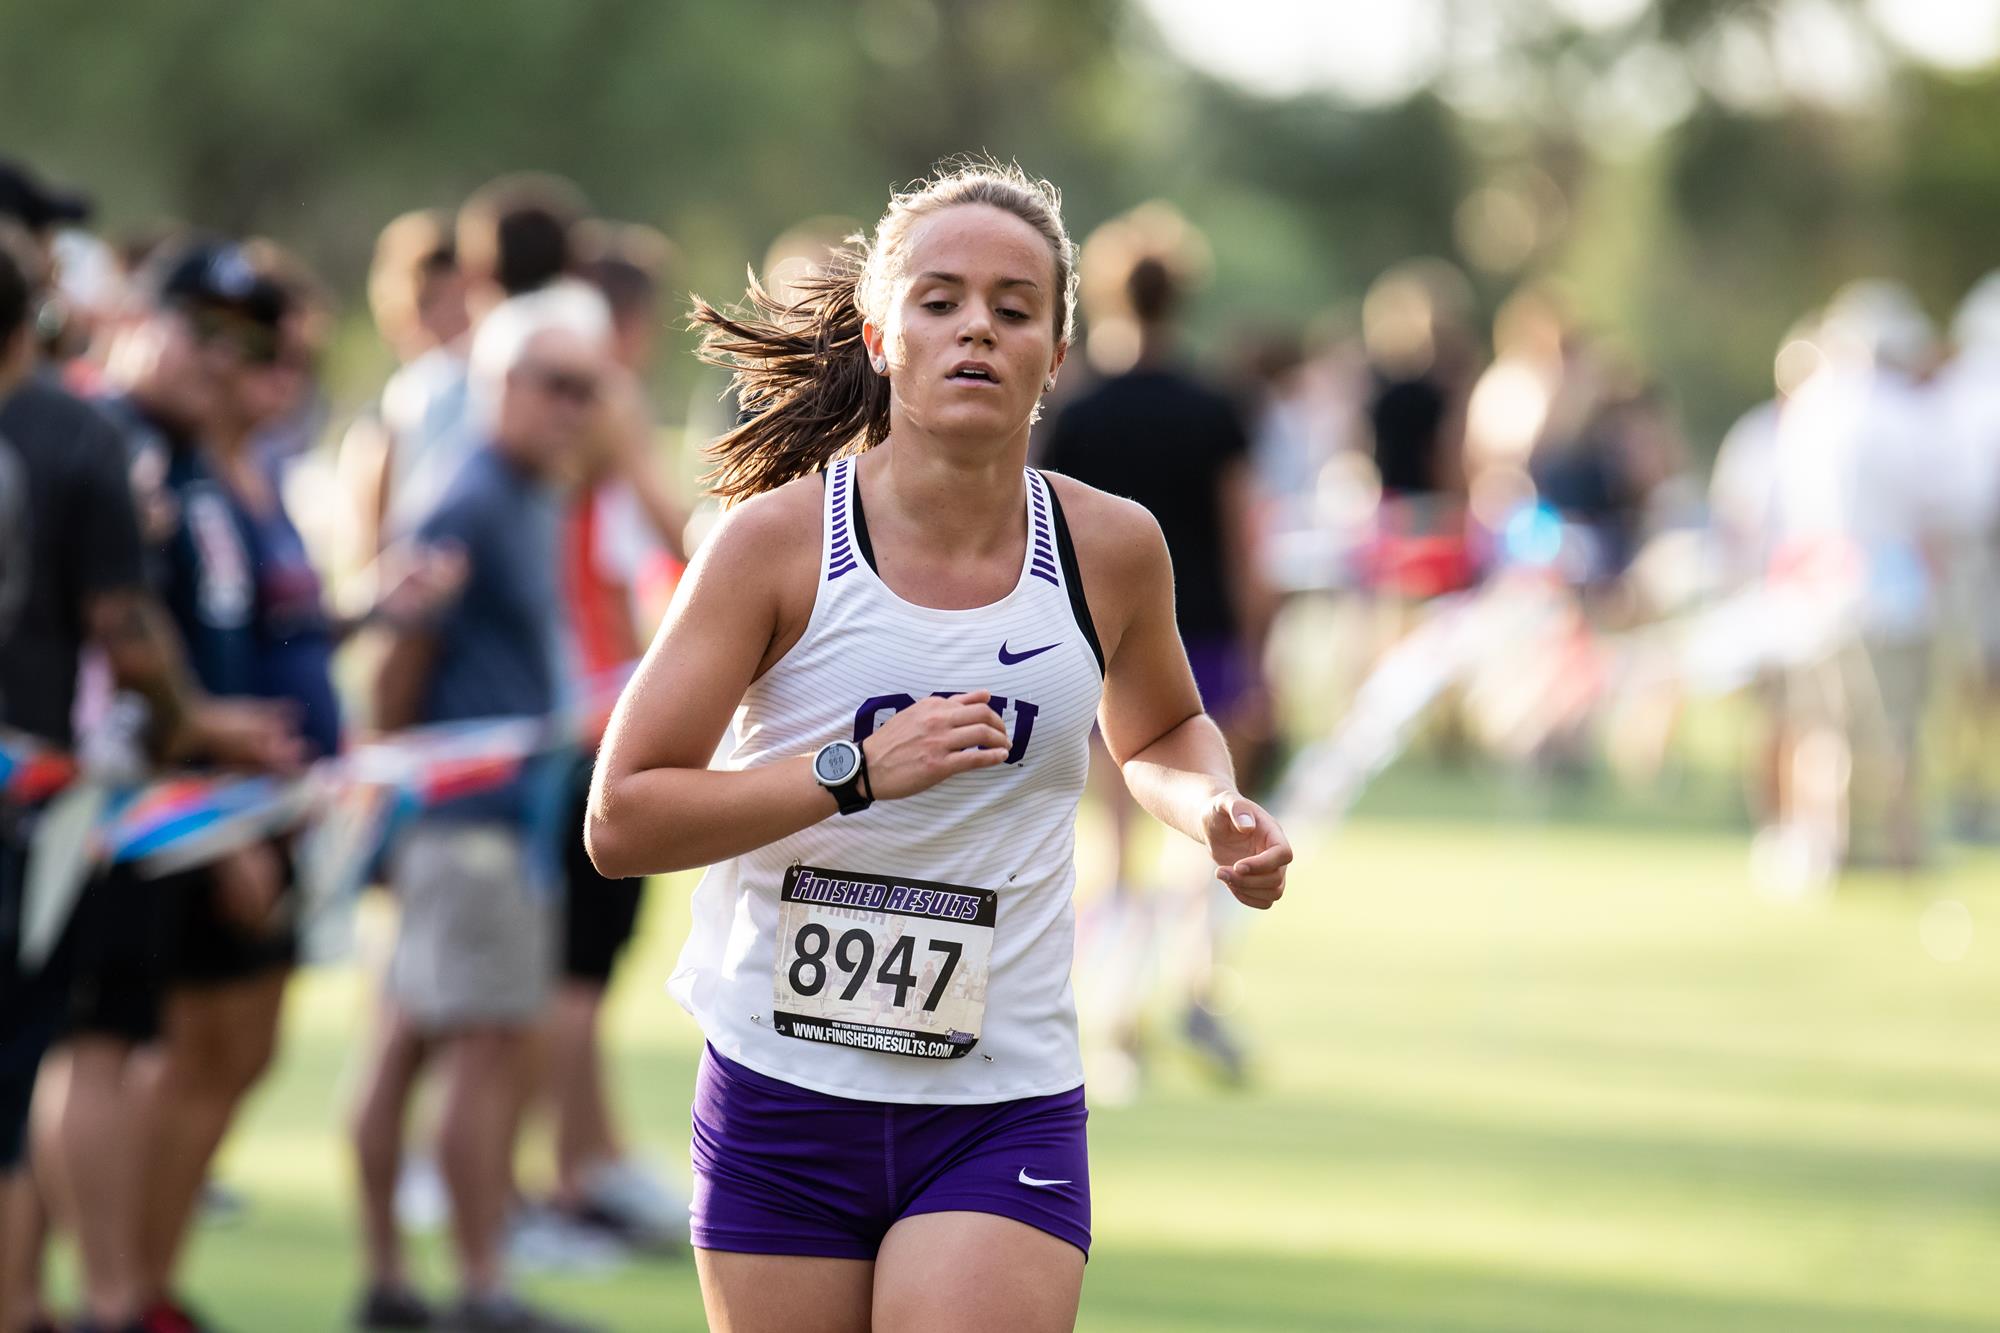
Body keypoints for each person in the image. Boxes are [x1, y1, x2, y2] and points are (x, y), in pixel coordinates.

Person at [587, 160, 1292, 1333]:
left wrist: (1207, 805)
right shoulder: (770, 546)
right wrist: (851, 773)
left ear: (1054, 355)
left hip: (1000, 1096)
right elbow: (622, 818)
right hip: (783, 1090)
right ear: (880, 335)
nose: (976, 328)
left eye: (1013, 309)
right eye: (939, 300)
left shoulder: (1111, 547)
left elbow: (1163, 727)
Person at [351, 282, 610, 1333]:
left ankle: (394, 1279)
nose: (574, 409)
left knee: (413, 1039)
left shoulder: (523, 491)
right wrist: (399, 792)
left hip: (496, 818)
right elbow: (398, 664)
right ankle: (476, 1285)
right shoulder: (468, 497)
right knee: (481, 1047)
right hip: (466, 821)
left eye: (589, 389)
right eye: (554, 385)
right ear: (497, 383)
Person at [1038, 213, 1276, 1089]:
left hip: (1094, 642)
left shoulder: (1078, 409)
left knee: (1111, 840)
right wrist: (1258, 655)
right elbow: (1245, 542)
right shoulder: (1216, 407)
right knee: (1209, 820)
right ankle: (1195, 985)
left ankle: (1114, 1011)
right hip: (1200, 639)